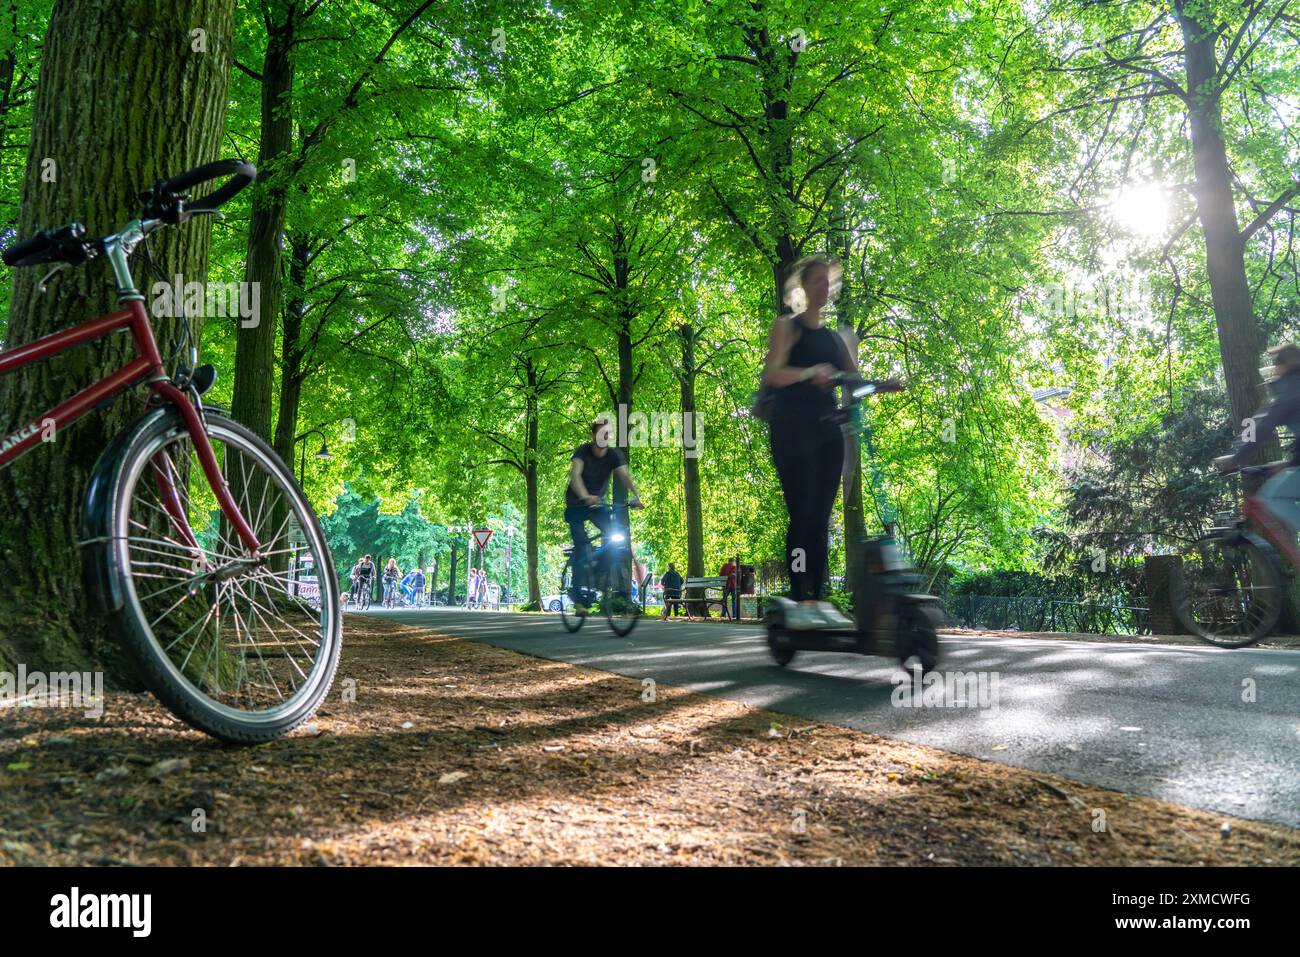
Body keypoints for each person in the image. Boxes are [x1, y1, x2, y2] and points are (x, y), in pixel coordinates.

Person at [761, 255, 863, 630]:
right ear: (802, 288)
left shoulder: (835, 338)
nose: (824, 287)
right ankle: (800, 593)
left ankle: (817, 597)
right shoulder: (787, 328)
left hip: (826, 433)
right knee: (802, 514)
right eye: (816, 281)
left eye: (827, 282)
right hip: (791, 431)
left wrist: (882, 385)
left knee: (821, 518)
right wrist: (809, 372)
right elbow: (773, 372)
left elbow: (854, 378)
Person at [1215, 343, 1300, 533]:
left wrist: (1235, 459)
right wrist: (1291, 463)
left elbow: (1260, 426)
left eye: (1276, 365)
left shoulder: (1290, 390)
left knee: (1273, 497)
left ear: (1284, 366)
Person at [565, 417, 645, 610]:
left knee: (614, 538)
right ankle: (577, 595)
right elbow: (574, 475)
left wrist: (636, 496)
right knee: (582, 545)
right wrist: (585, 496)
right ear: (593, 435)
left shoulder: (613, 455)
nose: (605, 437)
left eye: (608, 434)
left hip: (597, 505)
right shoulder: (582, 451)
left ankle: (597, 572)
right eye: (601, 433)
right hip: (576, 504)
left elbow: (624, 475)